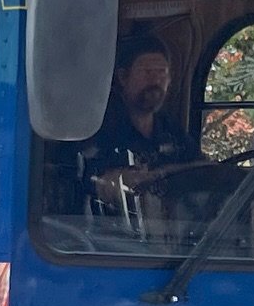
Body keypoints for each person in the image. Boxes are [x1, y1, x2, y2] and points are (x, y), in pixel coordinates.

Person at [72, 34, 202, 219]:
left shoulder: (171, 131)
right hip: (104, 232)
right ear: (123, 77)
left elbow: (199, 169)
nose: (155, 81)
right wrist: (112, 182)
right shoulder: (97, 128)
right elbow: (79, 181)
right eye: (146, 72)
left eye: (162, 72)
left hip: (172, 230)